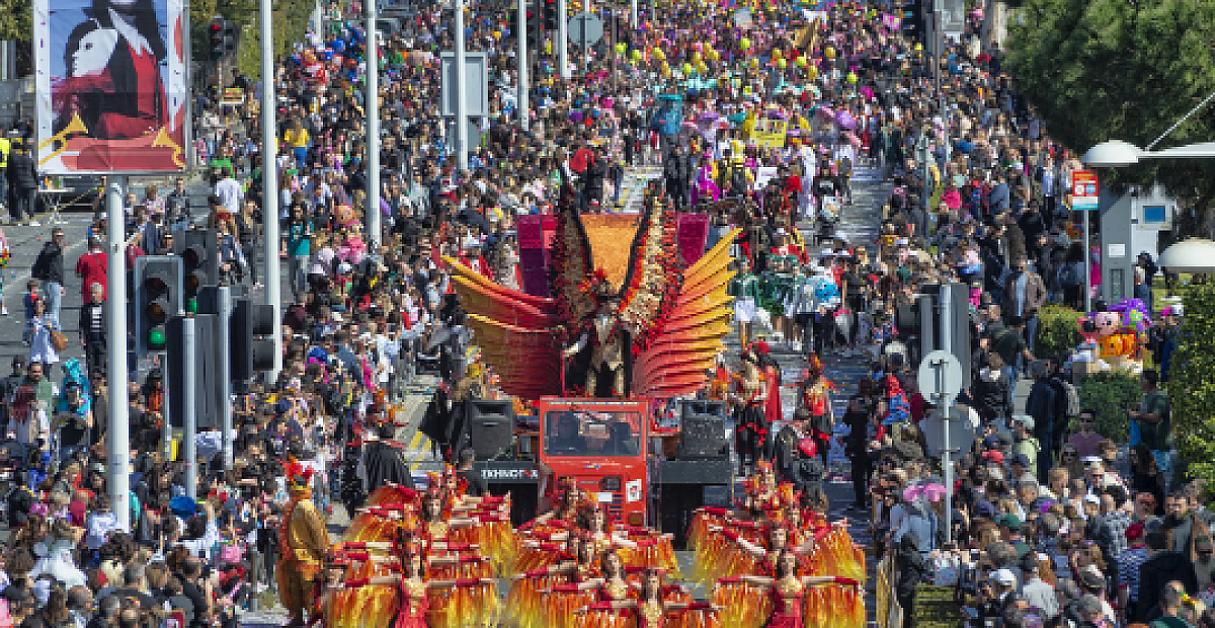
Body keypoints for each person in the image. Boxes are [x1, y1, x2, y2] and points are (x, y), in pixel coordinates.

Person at [31, 228, 65, 328]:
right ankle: (55, 333)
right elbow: (48, 255)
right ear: (53, 237)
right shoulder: (51, 248)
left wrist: (61, 285)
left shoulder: (55, 248)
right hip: (51, 282)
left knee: (51, 309)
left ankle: (50, 332)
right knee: (54, 309)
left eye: (61, 236)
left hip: (53, 282)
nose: (60, 238)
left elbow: (59, 269)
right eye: (57, 236)